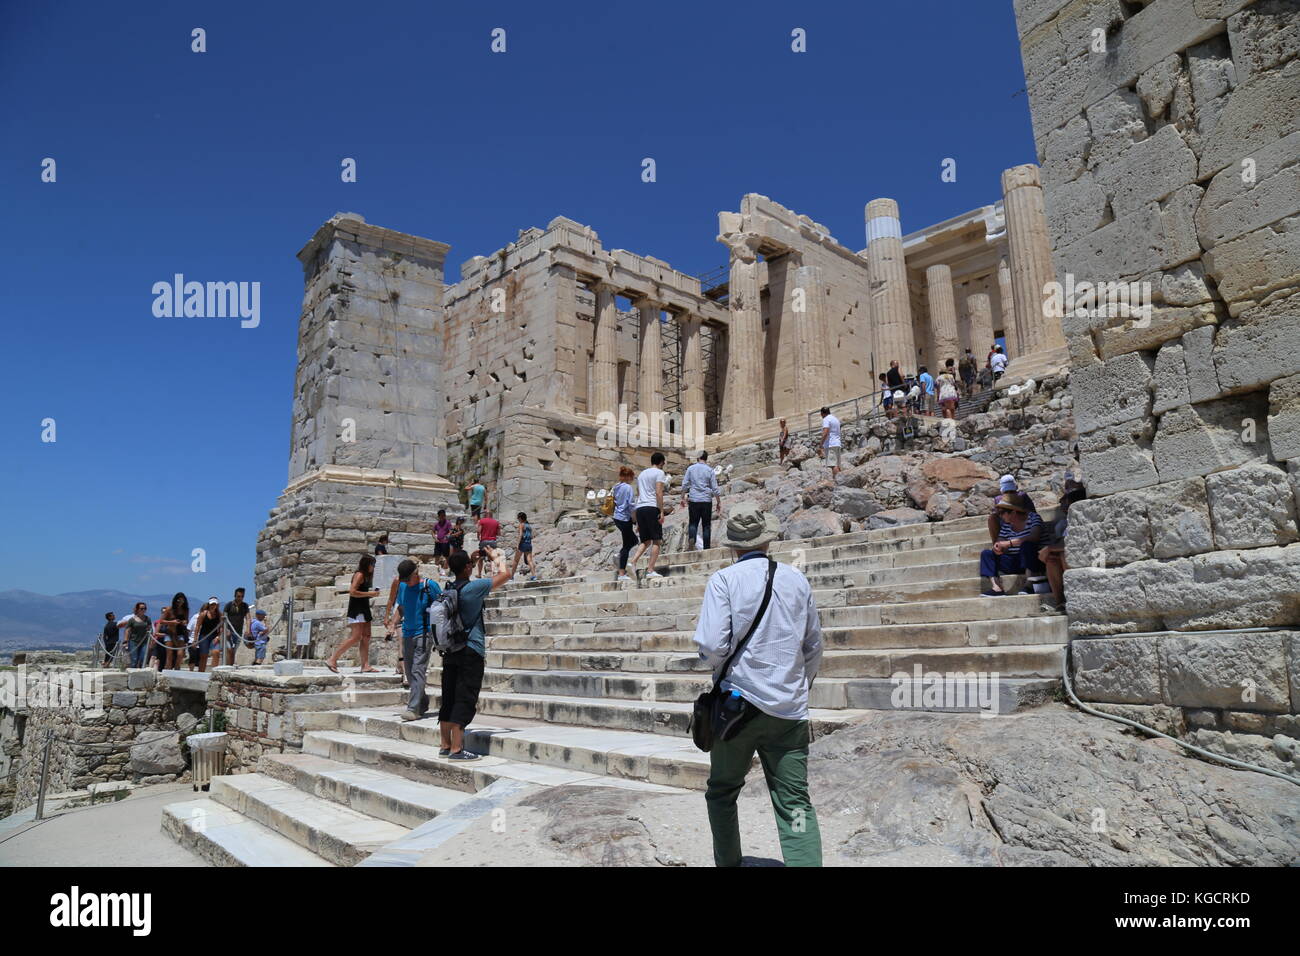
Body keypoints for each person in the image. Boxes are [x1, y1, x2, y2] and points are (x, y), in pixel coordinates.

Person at [694, 503, 824, 868]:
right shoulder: (796, 579)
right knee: (795, 803)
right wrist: (800, 686)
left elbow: (712, 646)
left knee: (722, 792)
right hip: (789, 710)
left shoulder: (724, 580)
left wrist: (714, 668)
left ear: (733, 545)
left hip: (736, 708)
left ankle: (729, 862)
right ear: (768, 540)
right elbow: (814, 644)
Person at [436, 550, 512, 757]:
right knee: (465, 695)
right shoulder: (474, 588)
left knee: (449, 695)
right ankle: (457, 748)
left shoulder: (449, 588)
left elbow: (463, 569)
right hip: (470, 649)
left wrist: (472, 559)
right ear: (467, 568)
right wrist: (498, 559)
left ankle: (444, 744)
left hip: (451, 649)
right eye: (469, 564)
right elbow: (505, 575)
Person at [385, 558, 443, 720]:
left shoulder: (429, 586)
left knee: (418, 671)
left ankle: (413, 709)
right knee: (409, 673)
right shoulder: (403, 586)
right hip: (407, 633)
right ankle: (422, 701)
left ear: (416, 573)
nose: (406, 583)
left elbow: (443, 608)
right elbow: (401, 608)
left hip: (424, 633)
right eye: (404, 580)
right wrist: (392, 624)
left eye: (408, 579)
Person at [979, 492, 1045, 596]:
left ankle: (1029, 584)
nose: (1000, 516)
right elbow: (1001, 540)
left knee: (1027, 545)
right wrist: (998, 547)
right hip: (1013, 561)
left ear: (1013, 512)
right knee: (986, 554)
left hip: (1033, 560)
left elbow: (1034, 537)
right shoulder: (1006, 525)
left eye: (1002, 512)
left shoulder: (1033, 518)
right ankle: (997, 588)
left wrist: (1009, 543)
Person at [327, 555, 383, 673]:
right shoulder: (360, 575)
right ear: (366, 565)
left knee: (367, 636)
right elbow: (352, 592)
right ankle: (332, 659)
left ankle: (365, 665)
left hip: (364, 607)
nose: (373, 567)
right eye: (372, 565)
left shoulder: (367, 576)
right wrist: (370, 594)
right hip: (357, 608)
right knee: (356, 637)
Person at [1040, 482, 1086, 612]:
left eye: (1067, 503)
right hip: (1076, 557)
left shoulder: (1083, 520)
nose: (1064, 507)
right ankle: (1060, 602)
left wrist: (1049, 549)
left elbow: (1074, 544)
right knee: (1052, 559)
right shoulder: (1067, 523)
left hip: (1089, 557)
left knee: (1063, 554)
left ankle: (1073, 599)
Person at [628, 452, 668, 581]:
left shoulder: (642, 474)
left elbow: (639, 494)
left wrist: (638, 522)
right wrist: (661, 511)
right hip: (652, 507)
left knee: (645, 541)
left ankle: (632, 562)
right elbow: (658, 492)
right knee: (656, 540)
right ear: (661, 462)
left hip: (640, 509)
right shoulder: (659, 473)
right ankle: (650, 570)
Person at [682, 451, 721, 551]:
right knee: (706, 525)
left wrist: (682, 497)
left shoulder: (691, 469)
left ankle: (692, 539)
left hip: (694, 499)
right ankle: (706, 548)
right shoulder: (709, 470)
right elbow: (715, 488)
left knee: (693, 523)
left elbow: (685, 484)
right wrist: (718, 501)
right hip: (706, 500)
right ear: (706, 458)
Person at [987, 474, 1037, 542]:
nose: (1009, 493)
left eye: (1011, 491)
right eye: (1007, 492)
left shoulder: (1022, 496)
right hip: (1006, 526)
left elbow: (1032, 513)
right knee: (992, 518)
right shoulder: (998, 499)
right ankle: (997, 546)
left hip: (1023, 525)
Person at [612, 465, 638, 585]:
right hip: (625, 518)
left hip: (617, 517)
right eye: (632, 477)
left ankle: (620, 556)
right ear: (628, 477)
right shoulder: (628, 488)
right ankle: (622, 573)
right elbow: (631, 505)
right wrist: (635, 519)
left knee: (629, 542)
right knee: (630, 543)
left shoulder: (616, 487)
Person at [118, 602, 152, 669]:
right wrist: (126, 640)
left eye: (145, 608)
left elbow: (150, 629)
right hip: (134, 641)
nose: (143, 610)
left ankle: (141, 674)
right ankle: (132, 673)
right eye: (141, 608)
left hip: (144, 641)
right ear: (137, 609)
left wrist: (151, 640)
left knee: (143, 658)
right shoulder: (132, 620)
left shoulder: (148, 619)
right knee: (134, 659)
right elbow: (127, 630)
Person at [222, 588, 251, 667]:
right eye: (238, 596)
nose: (240, 598)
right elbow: (223, 618)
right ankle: (227, 666)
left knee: (233, 651)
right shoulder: (229, 605)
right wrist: (225, 629)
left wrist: (248, 629)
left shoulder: (245, 606)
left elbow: (248, 618)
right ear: (235, 596)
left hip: (238, 632)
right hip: (228, 631)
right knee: (230, 650)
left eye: (242, 596)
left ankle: (229, 667)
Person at [193, 598, 223, 672]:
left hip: (214, 636)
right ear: (209, 605)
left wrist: (218, 636)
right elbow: (197, 626)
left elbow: (222, 627)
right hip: (204, 636)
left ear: (217, 605)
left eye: (214, 604)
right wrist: (195, 639)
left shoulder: (219, 615)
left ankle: (214, 673)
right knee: (204, 655)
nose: (213, 606)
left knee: (216, 652)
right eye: (211, 604)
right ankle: (201, 672)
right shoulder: (203, 614)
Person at [511, 512, 537, 580]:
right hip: (529, 544)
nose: (517, 519)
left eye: (518, 518)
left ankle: (511, 576)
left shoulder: (521, 525)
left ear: (520, 518)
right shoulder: (529, 526)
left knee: (516, 561)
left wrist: (517, 545)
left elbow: (520, 535)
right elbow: (531, 536)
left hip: (522, 544)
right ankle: (534, 576)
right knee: (530, 560)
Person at [475, 508, 501, 576]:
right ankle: (495, 573)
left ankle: (479, 574)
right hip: (492, 542)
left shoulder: (482, 521)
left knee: (480, 558)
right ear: (491, 515)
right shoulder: (496, 522)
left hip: (484, 541)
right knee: (493, 558)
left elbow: (478, 531)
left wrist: (478, 537)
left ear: (485, 514)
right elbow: (499, 533)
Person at [818, 406, 842, 477]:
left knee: (833, 465)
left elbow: (825, 432)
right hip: (837, 443)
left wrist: (820, 444)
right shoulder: (835, 419)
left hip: (830, 444)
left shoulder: (826, 419)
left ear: (822, 413)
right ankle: (841, 480)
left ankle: (838, 482)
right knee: (837, 464)